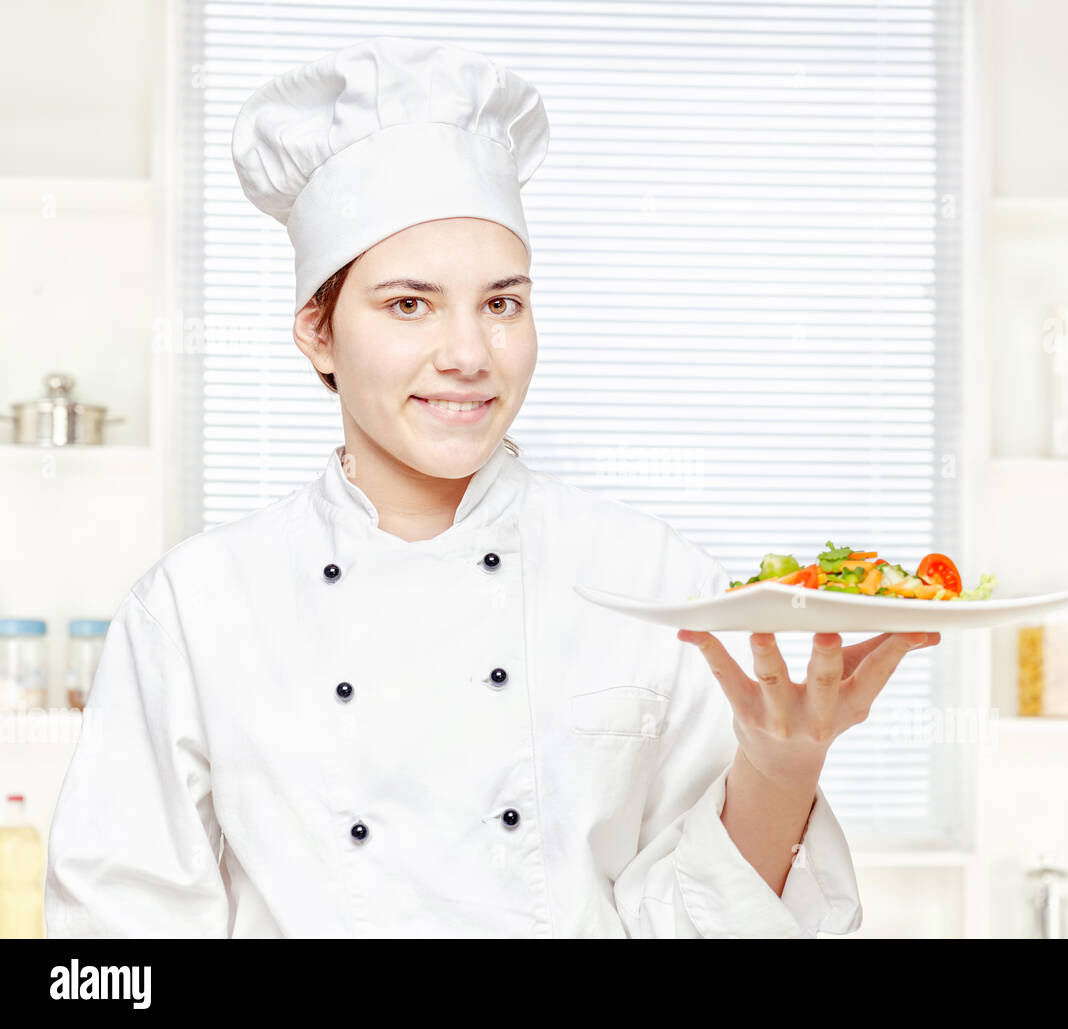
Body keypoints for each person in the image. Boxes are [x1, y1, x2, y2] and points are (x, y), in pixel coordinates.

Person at [43, 36, 937, 939]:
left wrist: (785, 764)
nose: (469, 354)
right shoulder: (196, 610)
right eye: (408, 303)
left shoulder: (657, 582)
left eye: (502, 302)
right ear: (318, 331)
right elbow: (118, 940)